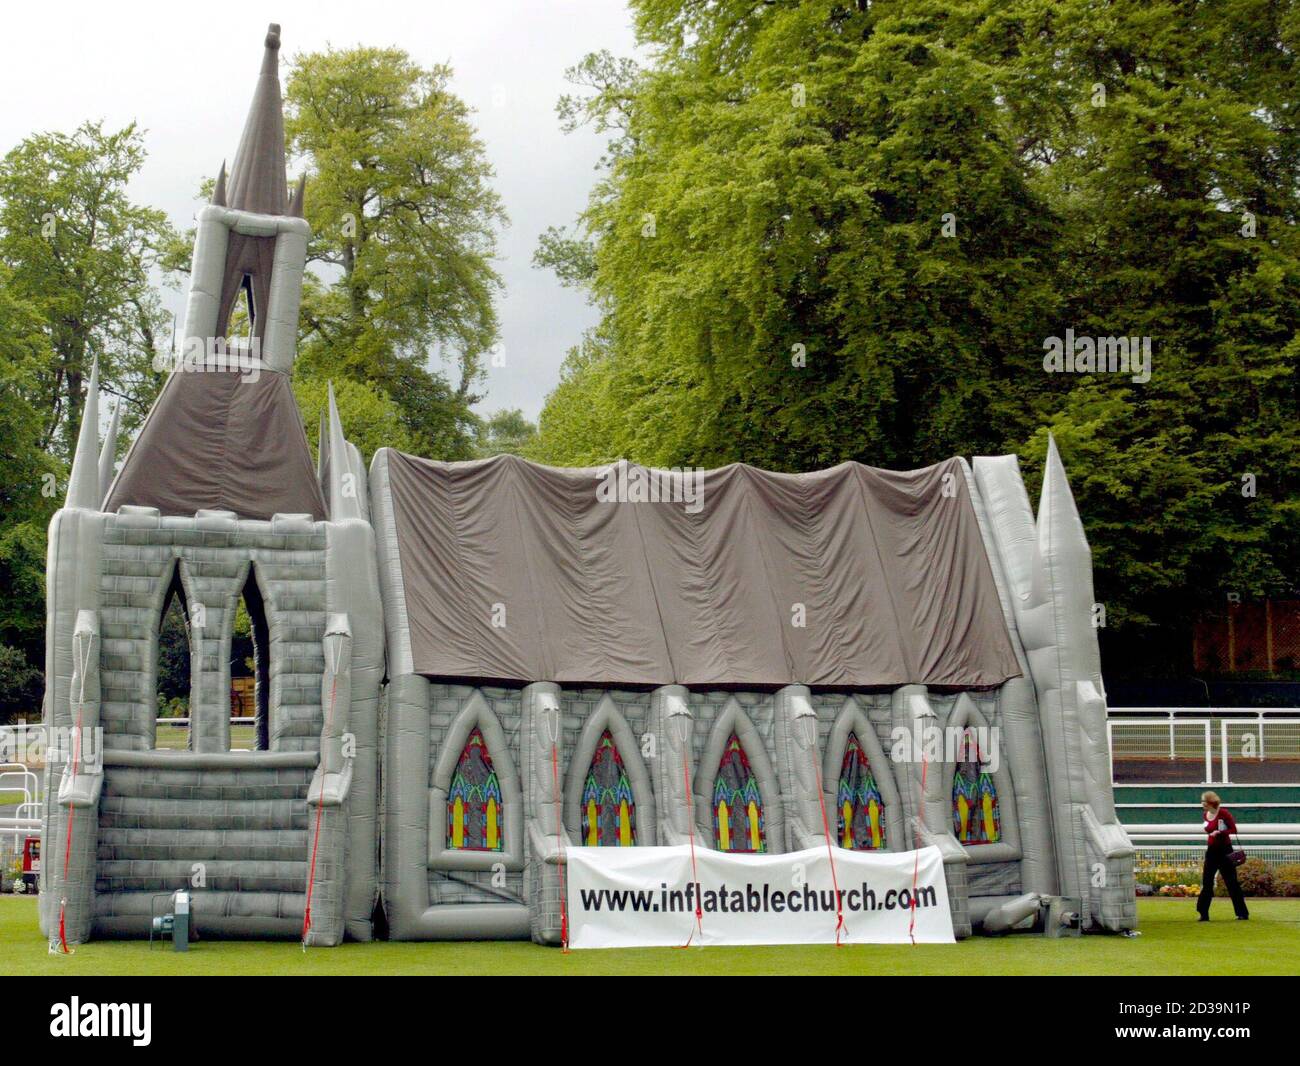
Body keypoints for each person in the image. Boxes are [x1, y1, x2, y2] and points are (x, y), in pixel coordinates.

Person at [1197, 791, 1249, 921]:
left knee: (1231, 882)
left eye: (1204, 801)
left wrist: (1220, 833)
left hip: (1225, 851)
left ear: (1211, 803)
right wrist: (1211, 832)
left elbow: (1233, 829)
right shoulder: (1205, 815)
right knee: (1207, 882)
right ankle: (1203, 913)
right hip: (1211, 851)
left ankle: (1242, 913)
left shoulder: (1224, 813)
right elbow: (1207, 828)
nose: (1202, 804)